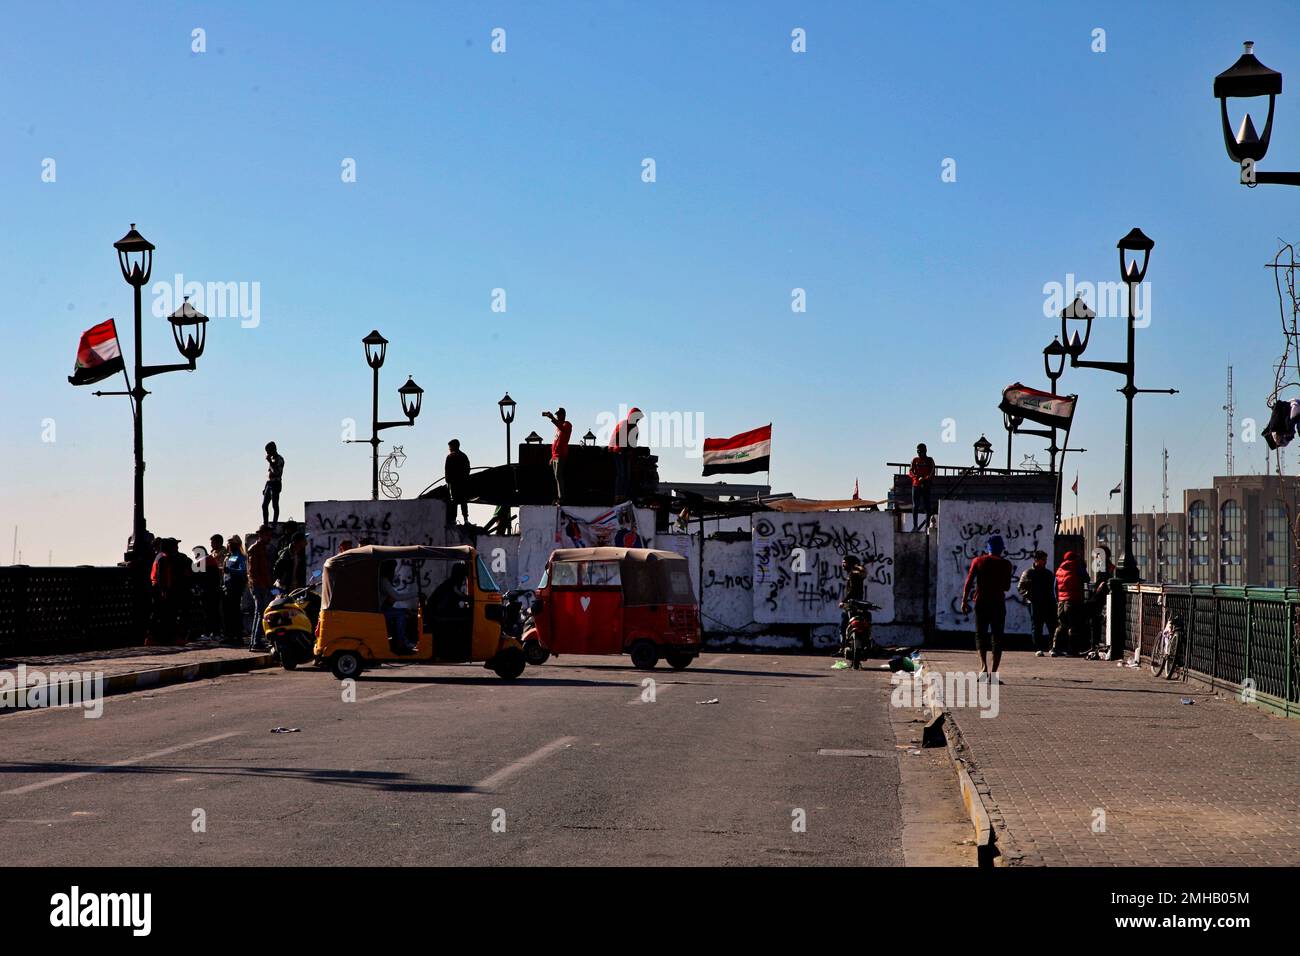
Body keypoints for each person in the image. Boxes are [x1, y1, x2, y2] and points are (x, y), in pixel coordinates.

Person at [960, 534, 1013, 681]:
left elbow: (969, 582)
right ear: (1001, 549)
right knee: (997, 637)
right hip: (998, 603)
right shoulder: (1006, 564)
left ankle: (983, 668)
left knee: (980, 635)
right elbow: (1007, 587)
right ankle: (994, 675)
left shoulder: (978, 561)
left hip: (981, 602)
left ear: (988, 548)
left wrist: (964, 600)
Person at [1017, 550, 1057, 657]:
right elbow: (1020, 588)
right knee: (1037, 626)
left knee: (1051, 626)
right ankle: (1038, 648)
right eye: (1043, 560)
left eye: (1045, 560)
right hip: (1034, 604)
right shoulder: (1028, 573)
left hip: (1048, 603)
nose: (1045, 562)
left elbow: (1054, 589)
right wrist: (1031, 597)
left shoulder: (1048, 574)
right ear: (1036, 560)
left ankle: (1052, 648)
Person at [1051, 550, 1088, 657]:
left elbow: (1055, 588)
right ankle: (1072, 650)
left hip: (1061, 602)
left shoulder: (1059, 569)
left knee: (1061, 625)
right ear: (1074, 558)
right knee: (1074, 626)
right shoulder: (1076, 566)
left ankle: (1055, 648)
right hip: (1073, 601)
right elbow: (1086, 578)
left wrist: (1058, 600)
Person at [380, 561, 418, 652]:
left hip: (382, 608)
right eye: (392, 570)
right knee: (401, 614)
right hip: (379, 611)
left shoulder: (382, 580)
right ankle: (401, 643)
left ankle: (400, 640)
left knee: (404, 611)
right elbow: (397, 596)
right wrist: (416, 594)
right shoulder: (383, 580)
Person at [247, 525, 274, 651]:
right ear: (261, 535)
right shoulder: (255, 549)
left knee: (260, 613)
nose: (269, 537)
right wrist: (260, 584)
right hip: (259, 586)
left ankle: (255, 641)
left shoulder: (262, 548)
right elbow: (253, 571)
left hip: (263, 585)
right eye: (267, 535)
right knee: (260, 613)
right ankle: (256, 642)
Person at [609, 407, 644, 501]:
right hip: (619, 451)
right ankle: (618, 495)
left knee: (626, 475)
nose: (638, 420)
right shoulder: (626, 424)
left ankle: (622, 496)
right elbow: (618, 438)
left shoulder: (632, 427)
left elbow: (632, 442)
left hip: (624, 452)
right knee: (622, 474)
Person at [222, 535, 248, 646]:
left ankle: (237, 637)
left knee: (235, 613)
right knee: (228, 613)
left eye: (231, 543)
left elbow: (242, 571)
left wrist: (230, 570)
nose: (229, 545)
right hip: (227, 587)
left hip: (235, 588)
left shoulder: (240, 556)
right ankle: (229, 635)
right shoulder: (229, 556)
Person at [542, 407, 572, 504]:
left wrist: (552, 418)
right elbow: (555, 442)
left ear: (563, 415)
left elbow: (562, 428)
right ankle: (559, 496)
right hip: (556, 455)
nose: (557, 416)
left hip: (561, 455)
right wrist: (552, 456)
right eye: (556, 415)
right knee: (556, 477)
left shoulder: (567, 424)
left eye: (559, 414)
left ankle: (561, 497)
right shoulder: (558, 428)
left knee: (559, 476)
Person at [201, 534, 226, 640]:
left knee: (218, 610)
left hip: (221, 583)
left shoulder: (225, 553)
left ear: (219, 542)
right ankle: (213, 631)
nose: (211, 544)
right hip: (212, 583)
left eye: (213, 542)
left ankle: (219, 632)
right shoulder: (211, 554)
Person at [837, 554, 867, 640]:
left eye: (844, 563)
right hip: (858, 603)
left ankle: (843, 647)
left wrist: (843, 601)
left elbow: (852, 590)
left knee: (843, 626)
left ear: (850, 564)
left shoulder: (853, 575)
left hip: (852, 604)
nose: (842, 565)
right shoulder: (858, 574)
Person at [908, 443, 936, 532]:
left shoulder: (929, 460)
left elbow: (932, 471)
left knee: (927, 506)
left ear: (925, 451)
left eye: (921, 451)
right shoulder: (914, 460)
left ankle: (927, 526)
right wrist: (916, 477)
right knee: (915, 505)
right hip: (916, 485)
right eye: (918, 452)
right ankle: (915, 526)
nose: (919, 453)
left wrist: (925, 479)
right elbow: (910, 471)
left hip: (926, 485)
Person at [445, 439, 472, 527]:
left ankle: (453, 520)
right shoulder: (463, 456)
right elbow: (468, 468)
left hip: (454, 484)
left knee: (454, 502)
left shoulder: (450, 457)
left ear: (453, 446)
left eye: (450, 447)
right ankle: (466, 520)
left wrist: (448, 481)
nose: (449, 449)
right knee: (463, 501)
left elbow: (447, 471)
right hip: (463, 483)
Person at [263, 441, 285, 527]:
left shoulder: (280, 459)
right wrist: (265, 488)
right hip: (269, 483)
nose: (267, 453)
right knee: (264, 505)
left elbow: (277, 472)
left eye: (268, 451)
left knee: (274, 504)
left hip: (276, 483)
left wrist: (270, 462)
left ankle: (274, 523)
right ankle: (265, 523)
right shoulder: (272, 460)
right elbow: (269, 475)